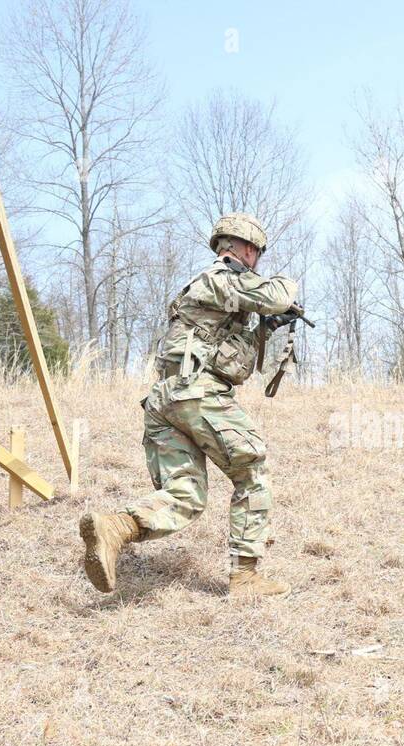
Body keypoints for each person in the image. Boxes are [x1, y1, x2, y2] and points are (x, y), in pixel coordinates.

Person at [80, 213, 298, 598]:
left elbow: (225, 349)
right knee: (252, 469)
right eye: (257, 254)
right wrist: (285, 293)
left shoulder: (211, 292)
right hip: (196, 394)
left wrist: (266, 327)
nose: (258, 261)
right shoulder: (221, 278)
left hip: (166, 401)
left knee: (186, 494)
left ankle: (115, 528)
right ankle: (245, 576)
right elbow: (278, 295)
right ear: (247, 248)